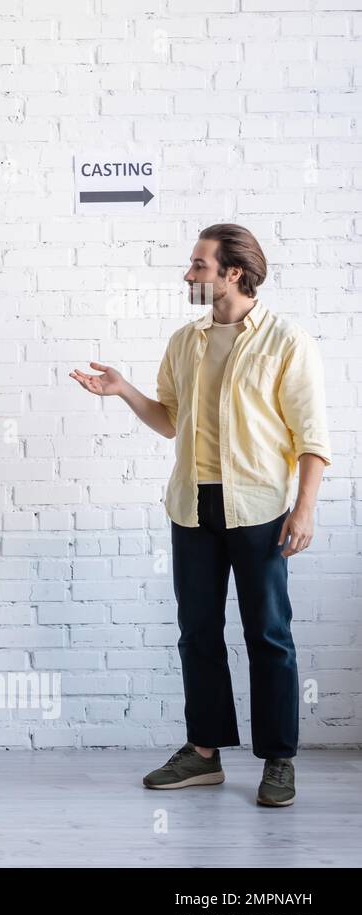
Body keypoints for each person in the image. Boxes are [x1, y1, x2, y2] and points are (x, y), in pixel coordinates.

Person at [71, 224, 331, 807]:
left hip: (260, 507)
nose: (188, 275)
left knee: (268, 635)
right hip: (191, 505)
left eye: (198, 265)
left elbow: (312, 436)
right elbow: (170, 421)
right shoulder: (185, 341)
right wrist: (123, 390)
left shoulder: (286, 340)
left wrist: (304, 508)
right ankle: (205, 753)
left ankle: (278, 760)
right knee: (198, 634)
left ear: (231, 272)